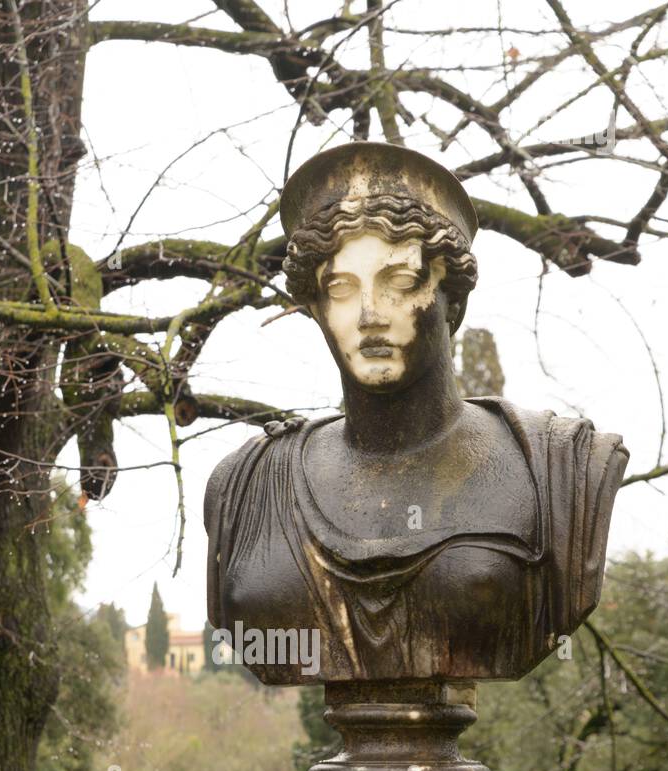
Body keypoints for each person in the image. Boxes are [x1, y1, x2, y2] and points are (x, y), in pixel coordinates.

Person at [205, 142, 627, 684]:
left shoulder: (562, 467)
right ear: (315, 308)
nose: (370, 315)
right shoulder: (246, 485)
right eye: (341, 288)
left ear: (453, 299)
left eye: (400, 282)